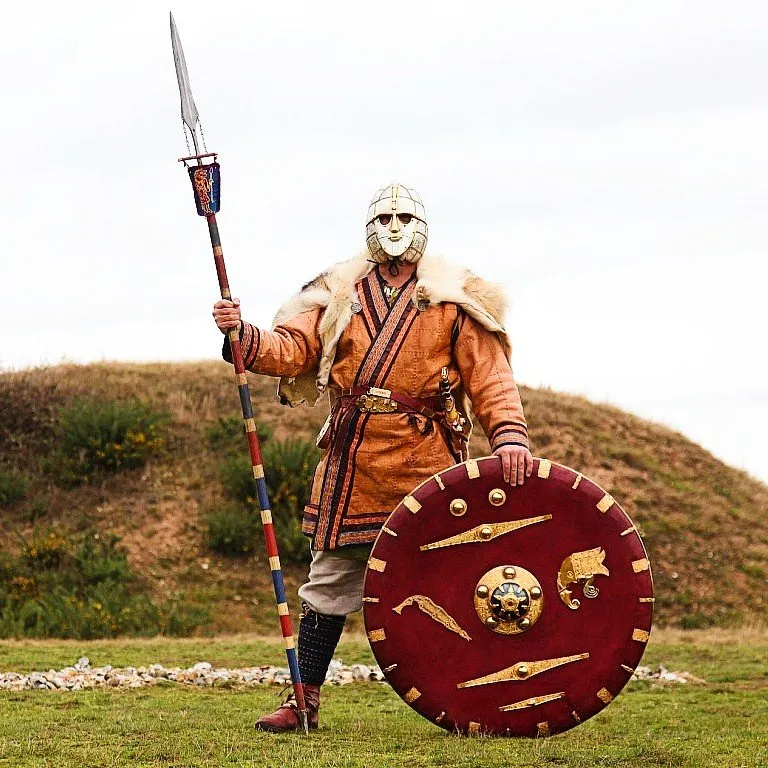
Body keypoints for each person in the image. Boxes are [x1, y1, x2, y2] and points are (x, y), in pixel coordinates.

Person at [213, 183, 532, 732]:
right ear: (368, 228)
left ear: (422, 226)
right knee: (330, 581)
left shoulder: (454, 299)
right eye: (383, 217)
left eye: (404, 216)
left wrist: (509, 437)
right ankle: (304, 700)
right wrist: (242, 334)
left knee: (452, 586)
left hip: (426, 463)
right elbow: (292, 349)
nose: (393, 226)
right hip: (354, 463)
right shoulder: (339, 293)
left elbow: (491, 377)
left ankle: (472, 698)